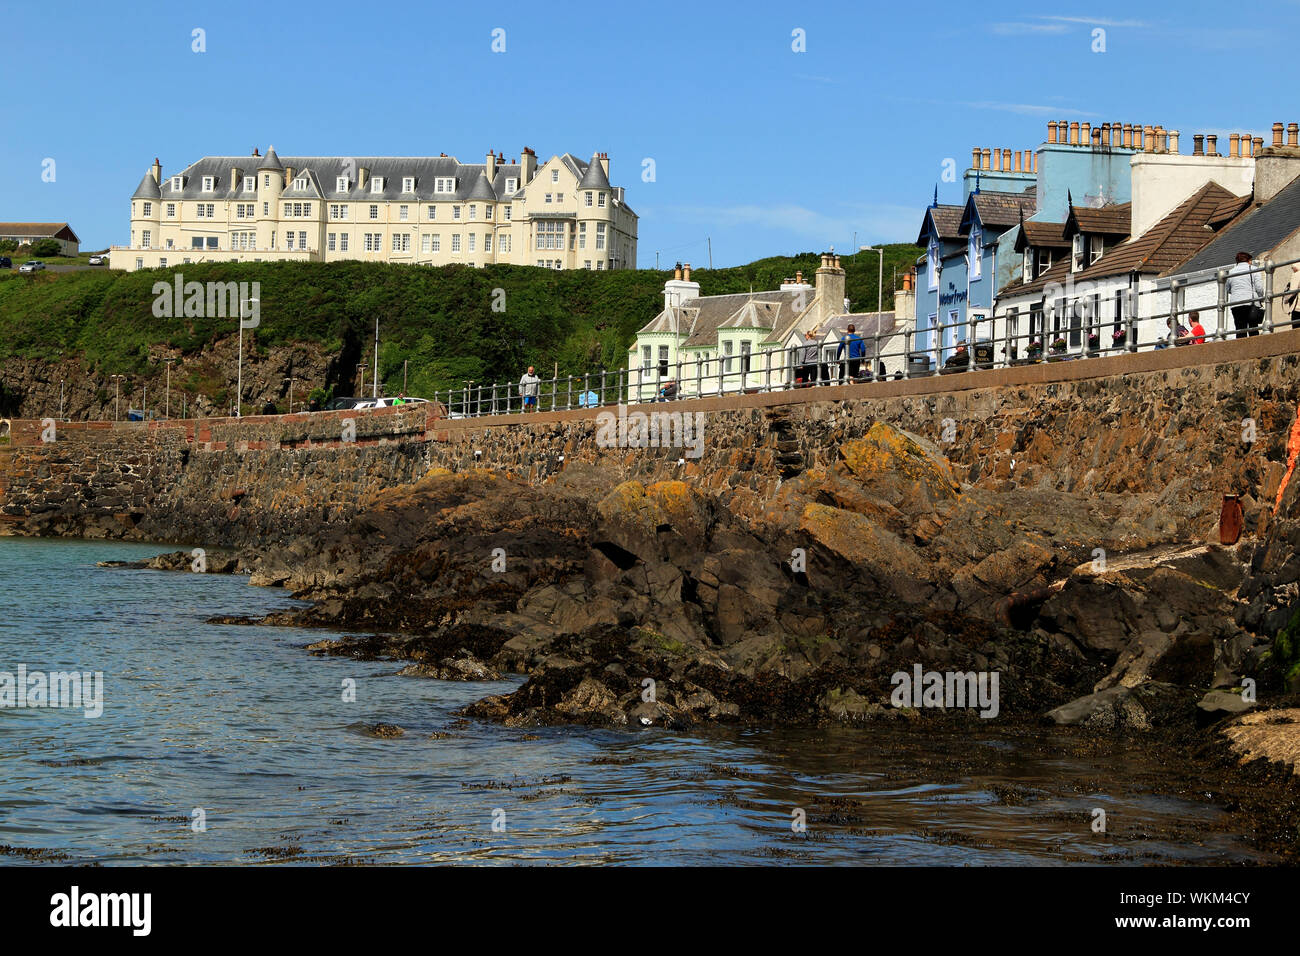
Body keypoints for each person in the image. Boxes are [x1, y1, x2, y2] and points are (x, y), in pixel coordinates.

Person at [1227, 251, 1264, 338]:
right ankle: (1255, 349)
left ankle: (1240, 349)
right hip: (1250, 302)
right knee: (1253, 328)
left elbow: (1228, 289)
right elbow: (1259, 288)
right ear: (1249, 260)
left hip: (1235, 303)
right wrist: (1260, 298)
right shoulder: (1254, 269)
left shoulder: (1231, 272)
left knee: (1240, 329)